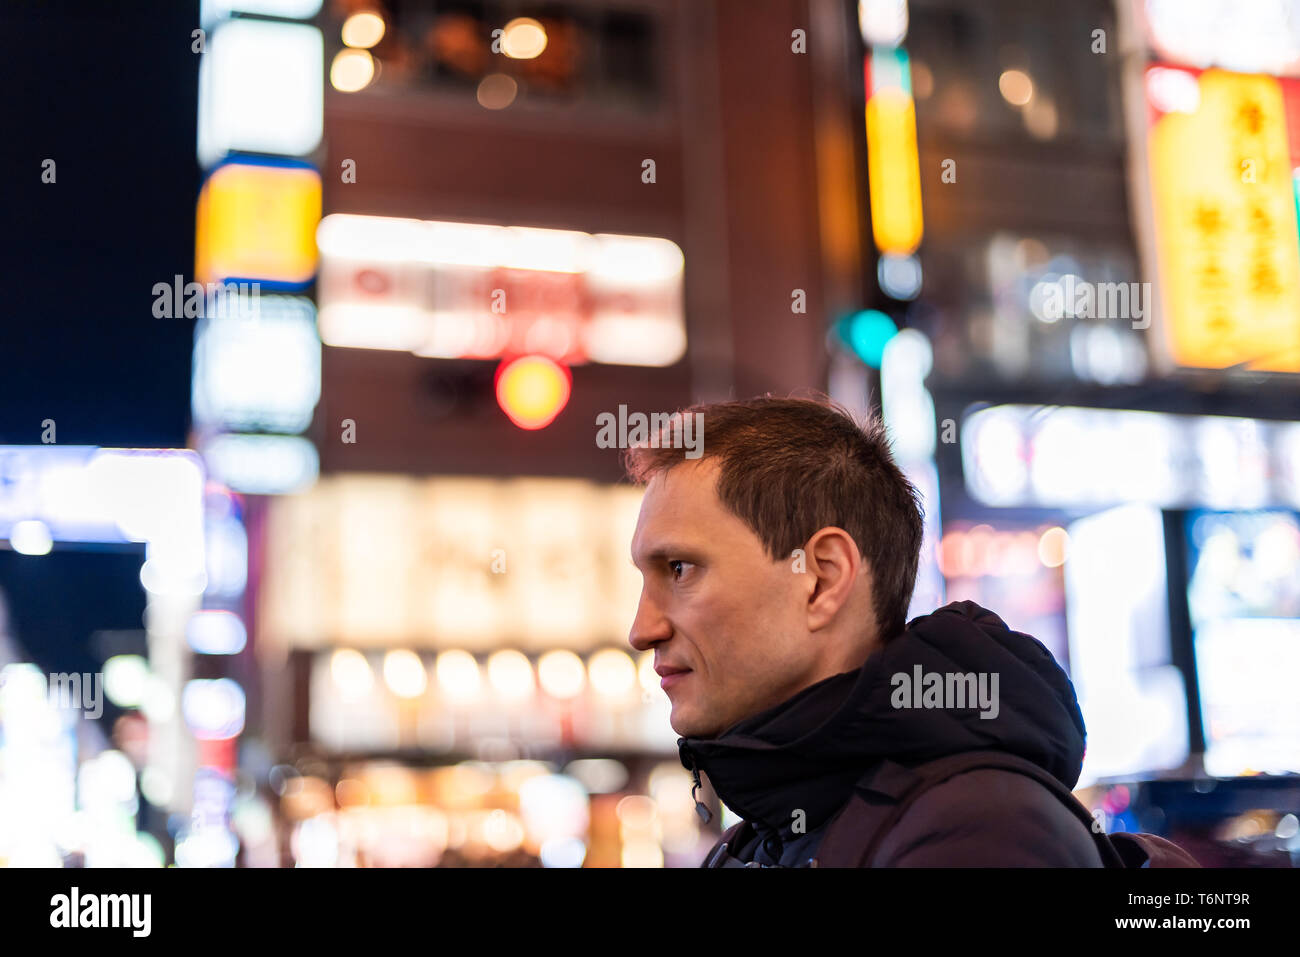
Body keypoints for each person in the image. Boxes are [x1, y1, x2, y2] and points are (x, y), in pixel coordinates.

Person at [624, 395, 1105, 866]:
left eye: (680, 569)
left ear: (821, 580)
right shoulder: (750, 844)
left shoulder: (981, 832)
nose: (642, 630)